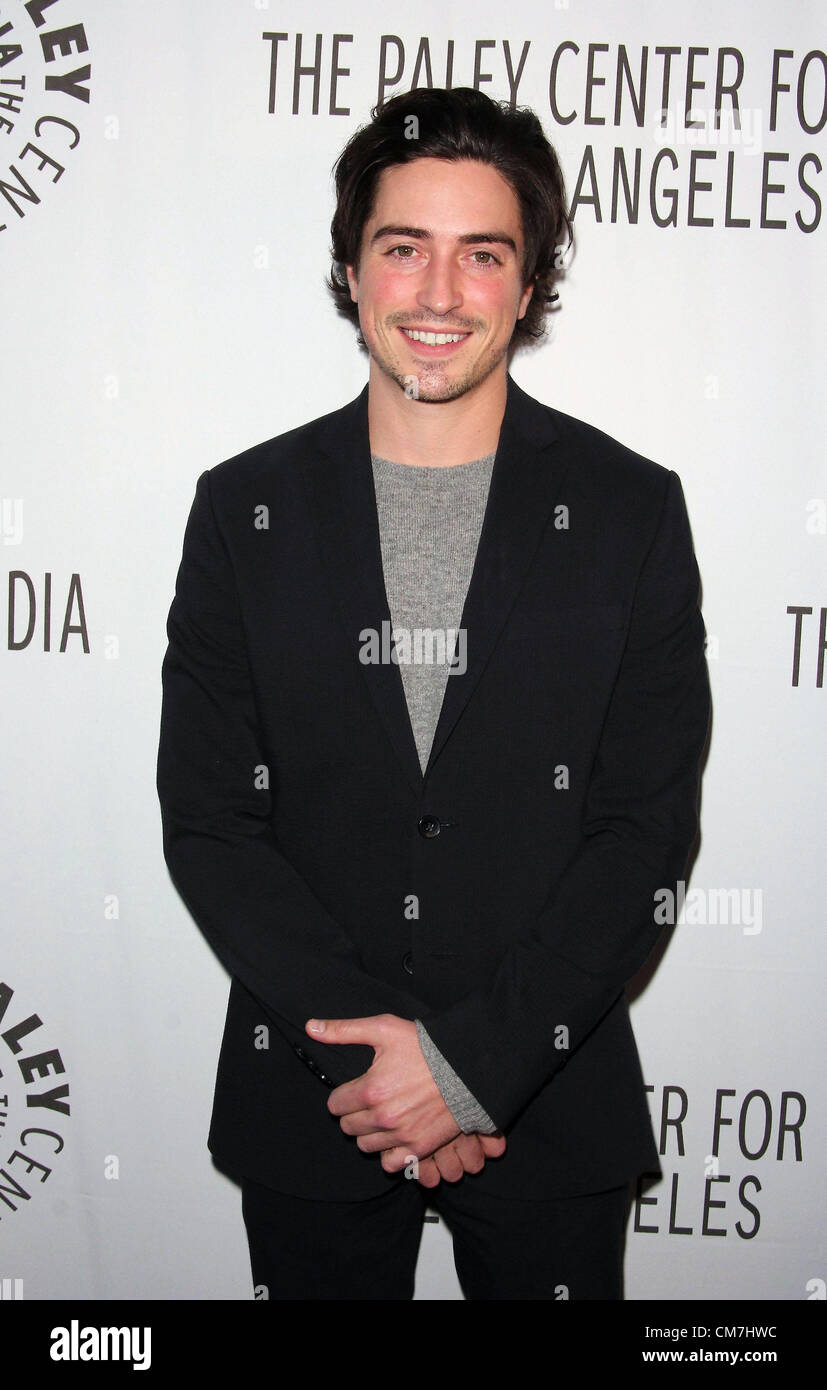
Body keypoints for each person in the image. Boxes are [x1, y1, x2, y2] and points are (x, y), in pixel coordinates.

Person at [156, 86, 711, 1300]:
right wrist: (390, 1068)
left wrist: (470, 1067)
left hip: (545, 1106)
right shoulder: (243, 512)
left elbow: (643, 831)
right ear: (352, 271)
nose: (439, 294)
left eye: (482, 255)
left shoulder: (629, 514)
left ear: (528, 285)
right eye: (402, 248)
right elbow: (211, 821)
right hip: (319, 1103)